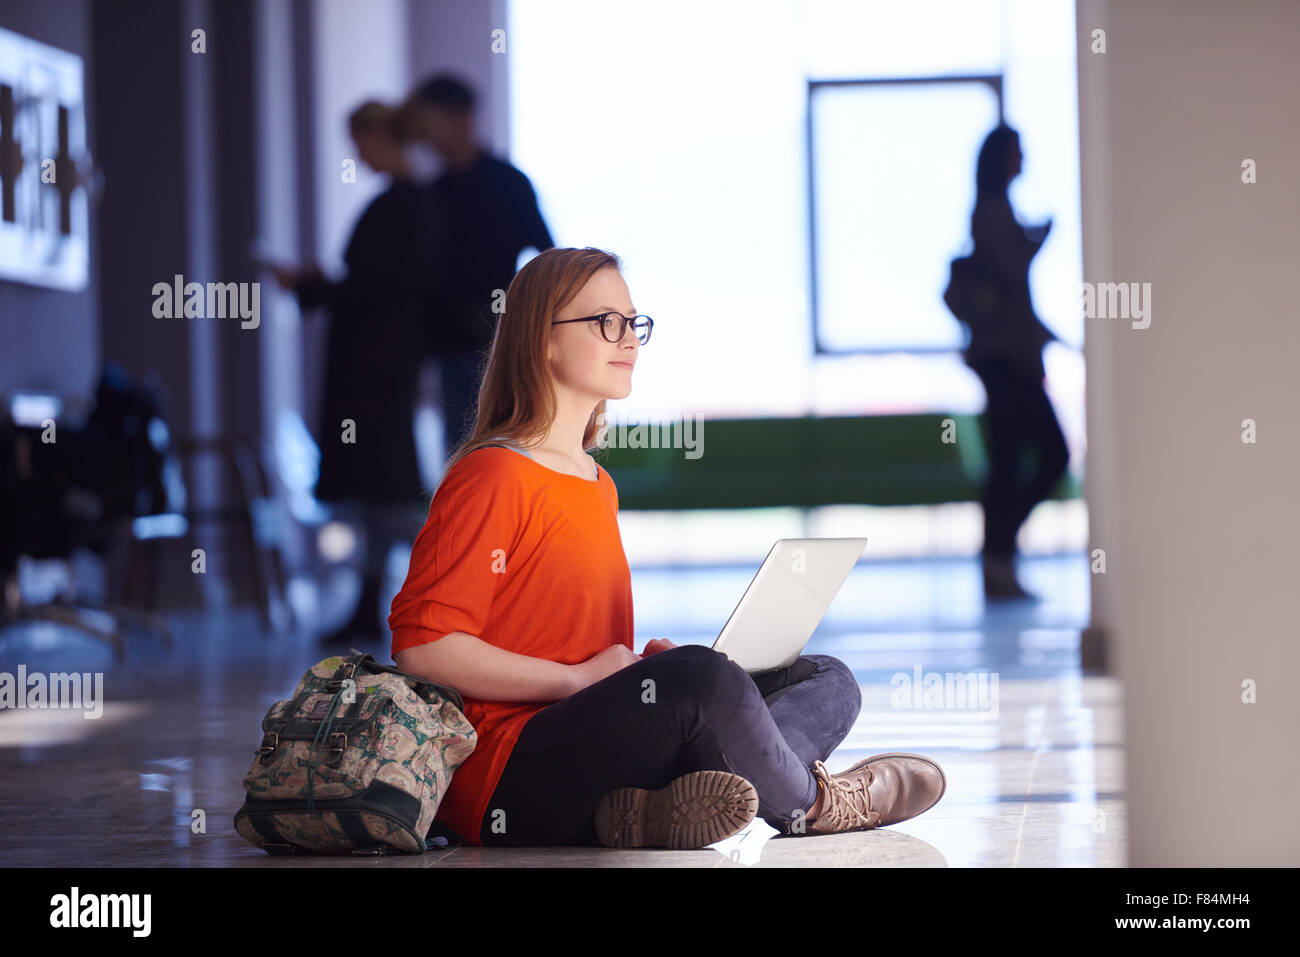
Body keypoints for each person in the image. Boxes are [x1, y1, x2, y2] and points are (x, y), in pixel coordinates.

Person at [388, 246, 947, 849]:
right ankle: (817, 804)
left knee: (825, 679)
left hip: (591, 748)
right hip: (507, 775)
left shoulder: (596, 483)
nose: (628, 339)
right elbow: (424, 649)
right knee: (703, 681)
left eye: (634, 323)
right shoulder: (494, 474)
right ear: (541, 338)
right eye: (606, 322)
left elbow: (567, 638)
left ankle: (649, 810)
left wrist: (639, 668)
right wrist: (579, 681)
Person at [266, 101, 437, 648]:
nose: (355, 154)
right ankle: (378, 603)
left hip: (376, 375)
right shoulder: (404, 207)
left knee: (386, 491)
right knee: (378, 492)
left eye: (359, 141)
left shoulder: (402, 209)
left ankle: (436, 591)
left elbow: (376, 293)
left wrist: (316, 287)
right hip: (379, 371)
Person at [398, 73, 555, 459]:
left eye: (435, 120)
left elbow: (548, 257)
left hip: (502, 342)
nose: (430, 133)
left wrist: (517, 314)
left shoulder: (508, 183)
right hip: (447, 344)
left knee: (508, 449)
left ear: (463, 118)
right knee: (462, 454)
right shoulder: (431, 192)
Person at [963, 123, 1070, 600]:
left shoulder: (999, 211)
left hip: (1012, 357)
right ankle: (998, 556)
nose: (1023, 160)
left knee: (1012, 460)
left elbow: (1014, 297)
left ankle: (999, 558)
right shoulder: (989, 213)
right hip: (1004, 361)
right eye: (1017, 152)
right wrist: (1034, 241)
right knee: (1042, 454)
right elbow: (1009, 276)